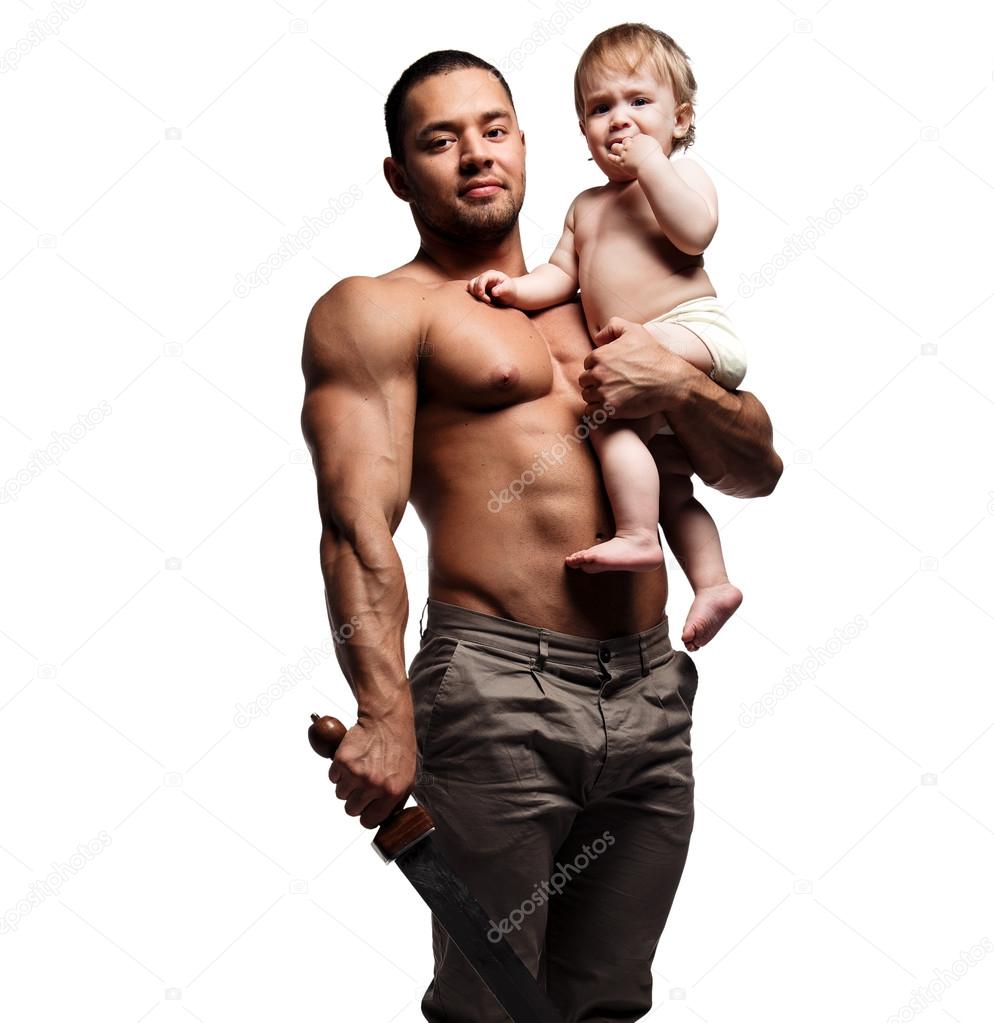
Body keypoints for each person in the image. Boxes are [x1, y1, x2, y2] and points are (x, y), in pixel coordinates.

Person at [300, 46, 781, 1023]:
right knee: (494, 1003)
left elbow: (753, 469)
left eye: (493, 129)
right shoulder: (378, 310)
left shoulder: (611, 281)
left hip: (647, 684)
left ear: (525, 143)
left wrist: (678, 384)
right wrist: (385, 711)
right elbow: (359, 524)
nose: (475, 155)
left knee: (603, 1001)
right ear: (400, 174)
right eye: (440, 140)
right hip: (495, 688)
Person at [467, 23, 744, 653]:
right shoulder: (586, 206)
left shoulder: (680, 176)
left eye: (639, 103)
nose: (619, 121)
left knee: (609, 411)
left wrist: (651, 164)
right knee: (669, 480)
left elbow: (694, 233)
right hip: (635, 369)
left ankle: (638, 536)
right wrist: (514, 290)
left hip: (691, 336)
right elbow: (560, 274)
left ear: (681, 119)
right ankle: (709, 579)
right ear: (583, 132)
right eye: (600, 108)